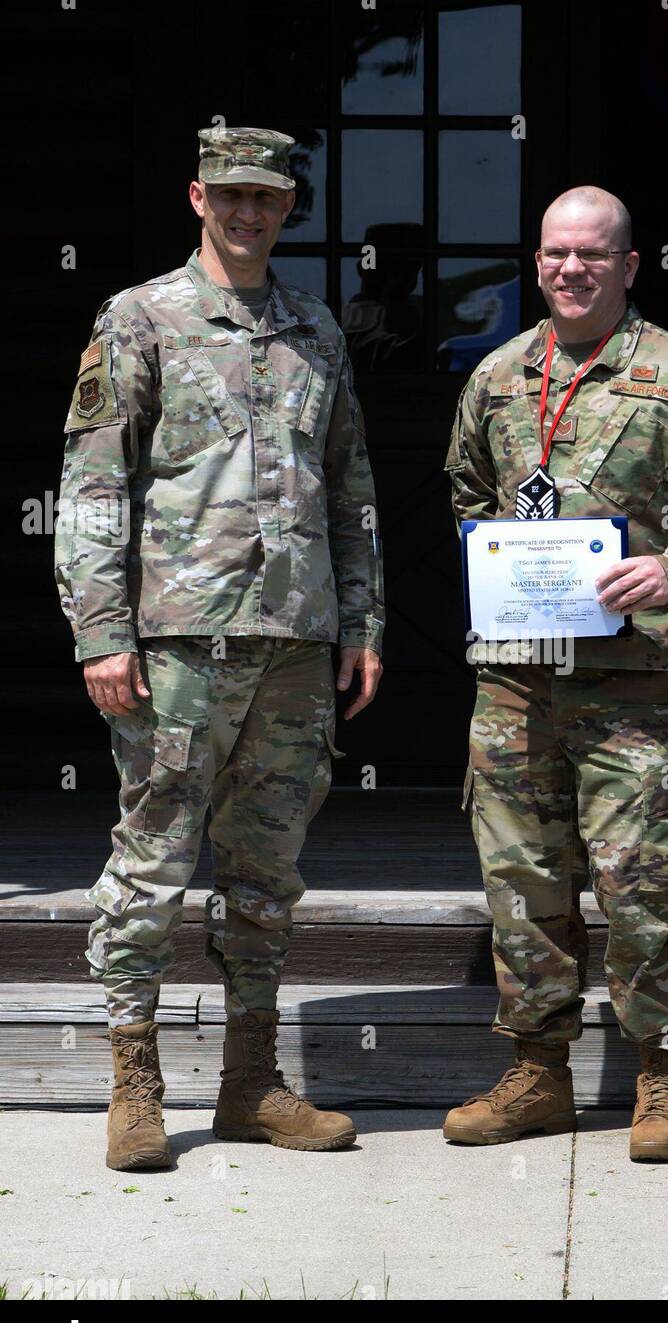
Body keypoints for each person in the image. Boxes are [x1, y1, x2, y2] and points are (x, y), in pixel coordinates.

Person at [55, 126, 384, 1170]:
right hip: (178, 641)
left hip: (293, 639)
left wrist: (363, 618)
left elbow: (351, 491)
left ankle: (250, 1079)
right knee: (150, 861)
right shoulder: (140, 318)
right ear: (197, 196)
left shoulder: (315, 329)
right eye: (231, 195)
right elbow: (95, 485)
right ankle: (134, 1079)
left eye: (269, 198)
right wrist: (101, 630)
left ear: (290, 207)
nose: (248, 213)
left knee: (266, 870)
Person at [442, 186, 668, 1162]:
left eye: (591, 254)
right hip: (514, 686)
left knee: (641, 885)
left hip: (633, 689)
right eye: (554, 253)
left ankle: (663, 1075)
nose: (570, 269)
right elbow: (467, 488)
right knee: (520, 882)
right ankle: (537, 1070)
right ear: (536, 263)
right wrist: (499, 563)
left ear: (628, 265)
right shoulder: (497, 377)